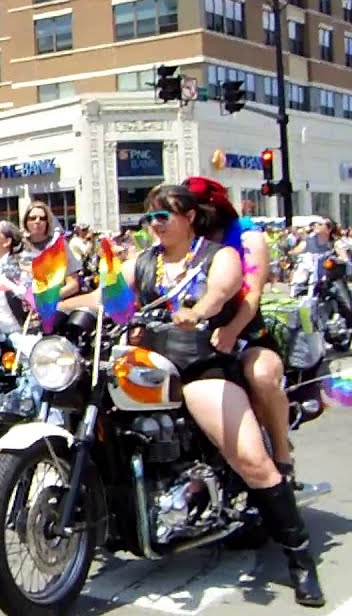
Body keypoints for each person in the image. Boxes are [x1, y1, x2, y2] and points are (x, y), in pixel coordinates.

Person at [60, 185, 322, 607]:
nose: (153, 226)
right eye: (148, 219)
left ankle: (300, 559)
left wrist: (197, 312)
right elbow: (109, 297)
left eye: (162, 217)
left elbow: (222, 290)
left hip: (199, 367)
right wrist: (59, 302)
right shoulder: (143, 263)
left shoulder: (218, 256)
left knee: (253, 462)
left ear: (189, 218)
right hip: (148, 365)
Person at [183, 177, 297, 487]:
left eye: (193, 209)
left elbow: (252, 293)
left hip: (248, 335)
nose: (190, 217)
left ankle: (282, 459)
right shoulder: (186, 242)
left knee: (260, 374)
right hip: (194, 341)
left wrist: (232, 330)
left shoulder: (247, 236)